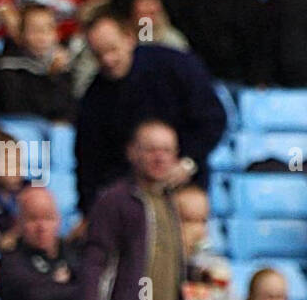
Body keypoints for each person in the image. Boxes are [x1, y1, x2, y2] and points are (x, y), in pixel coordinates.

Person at [80, 120, 196, 300]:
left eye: (167, 151)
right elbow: (96, 262)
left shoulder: (167, 199)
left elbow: (160, 257)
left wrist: (195, 273)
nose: (160, 158)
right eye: (151, 150)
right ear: (133, 153)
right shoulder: (115, 201)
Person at [75, 13, 226, 213]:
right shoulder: (95, 97)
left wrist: (188, 162)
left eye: (112, 50)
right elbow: (90, 160)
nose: (108, 60)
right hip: (128, 198)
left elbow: (212, 118)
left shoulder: (175, 66)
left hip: (184, 185)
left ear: (129, 38)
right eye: (99, 54)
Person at [0, 186, 82, 300]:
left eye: (48, 218)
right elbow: (37, 298)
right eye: (33, 219)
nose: (41, 227)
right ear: (19, 223)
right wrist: (82, 292)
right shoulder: (10, 264)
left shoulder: (74, 254)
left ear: (58, 220)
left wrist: (59, 288)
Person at [0, 4, 75, 120]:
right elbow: (22, 111)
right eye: (35, 30)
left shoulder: (65, 67)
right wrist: (52, 77)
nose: (42, 36)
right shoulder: (9, 70)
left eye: (49, 29)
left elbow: (69, 112)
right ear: (21, 35)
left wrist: (58, 75)